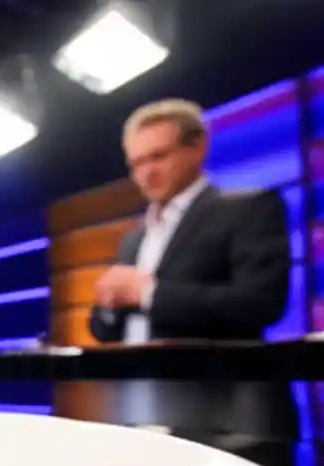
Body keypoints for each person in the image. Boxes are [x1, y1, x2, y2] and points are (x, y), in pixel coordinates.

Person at [90, 99, 290, 343]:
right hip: (136, 379)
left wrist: (148, 294)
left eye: (158, 156)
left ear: (198, 148)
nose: (147, 173)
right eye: (137, 163)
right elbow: (104, 331)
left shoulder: (249, 209)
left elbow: (260, 303)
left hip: (213, 380)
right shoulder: (133, 238)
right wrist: (109, 305)